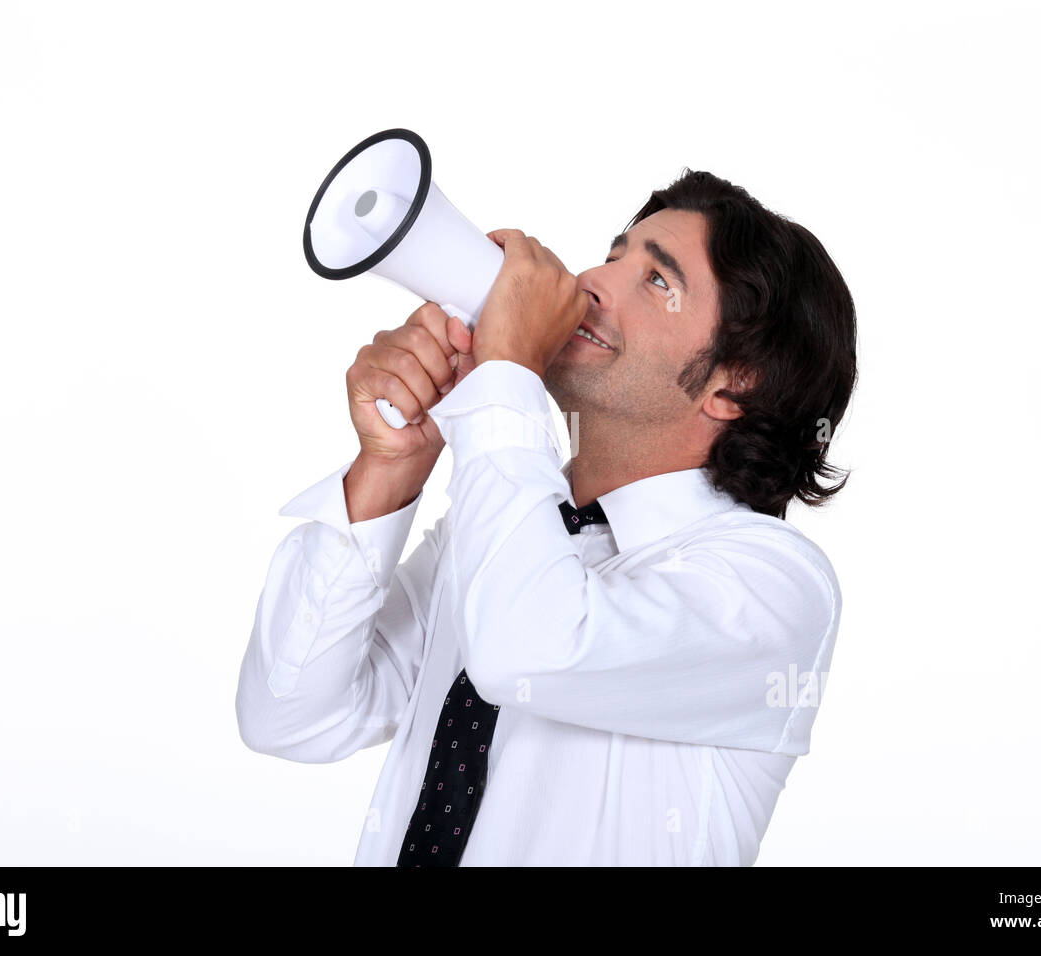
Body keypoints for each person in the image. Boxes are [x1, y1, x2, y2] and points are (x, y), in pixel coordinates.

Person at [234, 169, 858, 866]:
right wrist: (391, 466)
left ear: (734, 384)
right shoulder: (506, 538)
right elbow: (287, 715)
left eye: (657, 281)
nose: (593, 278)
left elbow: (528, 645)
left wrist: (506, 376)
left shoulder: (773, 585)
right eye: (616, 254)